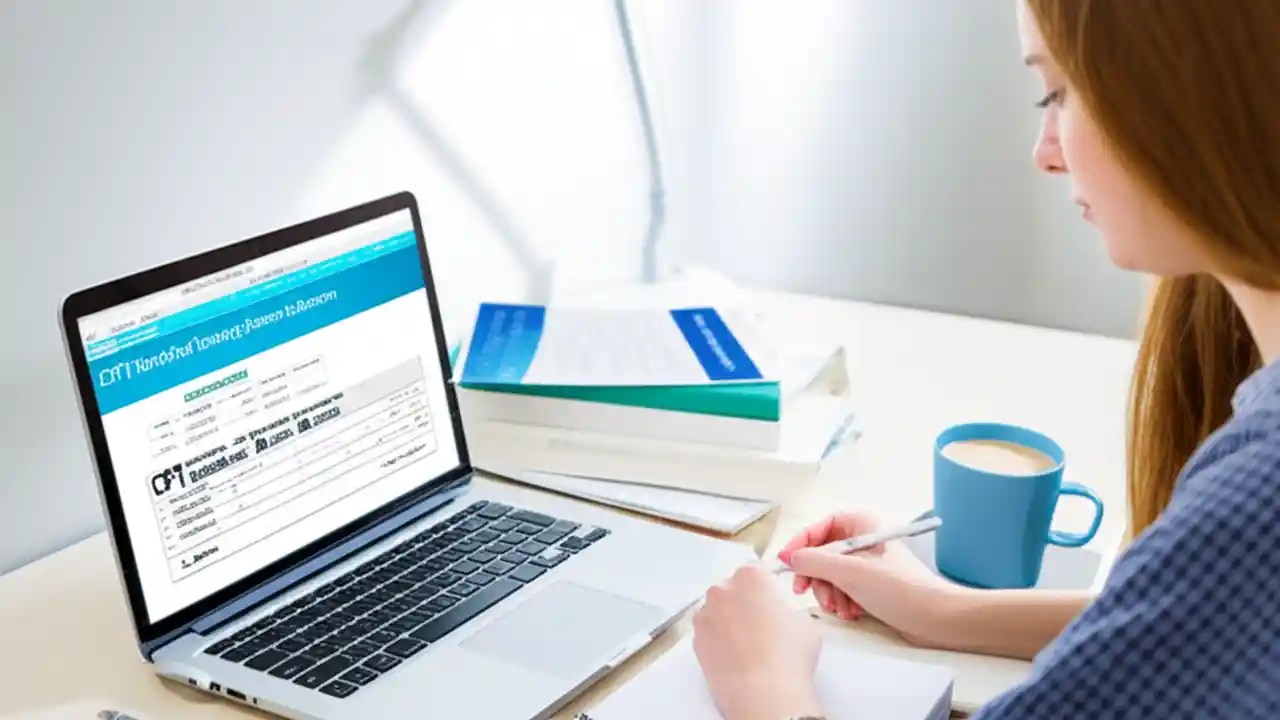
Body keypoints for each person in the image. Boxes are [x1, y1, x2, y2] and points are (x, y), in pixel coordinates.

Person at [690, 1, 1280, 718]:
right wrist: (943, 611)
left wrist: (762, 681)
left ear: (1187, 92)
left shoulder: (1255, 495)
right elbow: (1199, 627)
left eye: (1058, 93)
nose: (1046, 151)